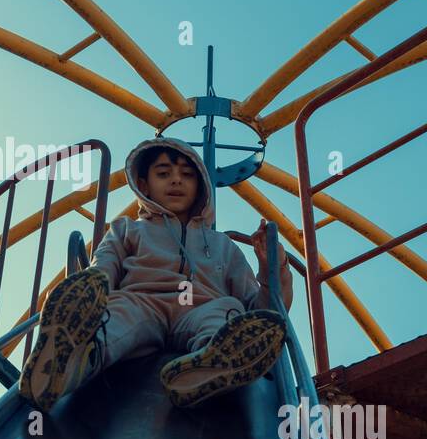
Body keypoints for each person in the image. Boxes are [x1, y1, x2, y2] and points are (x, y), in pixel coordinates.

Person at [19, 137, 292, 411]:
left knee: (228, 310)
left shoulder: (223, 245)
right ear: (145, 184)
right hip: (143, 301)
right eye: (163, 174)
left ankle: (213, 365)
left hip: (201, 307)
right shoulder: (128, 229)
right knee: (116, 316)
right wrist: (90, 294)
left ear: (200, 187)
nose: (176, 180)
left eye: (187, 175)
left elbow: (258, 308)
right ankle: (70, 362)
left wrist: (272, 270)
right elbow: (103, 268)